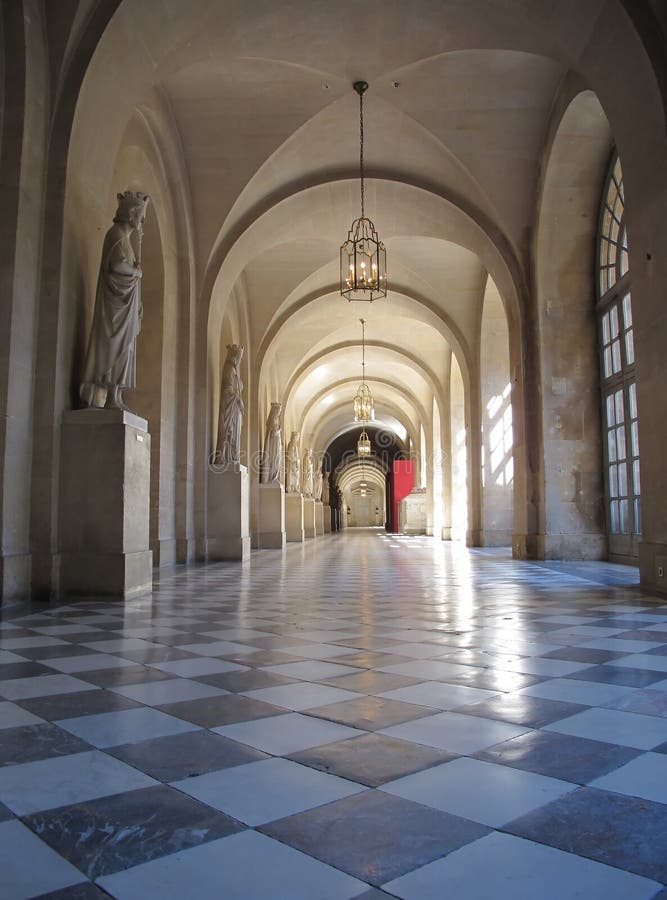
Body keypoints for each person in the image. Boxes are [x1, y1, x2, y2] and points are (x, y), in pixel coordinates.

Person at [80, 190, 149, 411]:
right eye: (140, 216)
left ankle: (116, 395)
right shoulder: (115, 236)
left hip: (124, 308)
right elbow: (117, 267)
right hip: (114, 311)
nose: (141, 222)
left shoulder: (126, 241)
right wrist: (136, 273)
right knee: (115, 347)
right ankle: (110, 395)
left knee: (126, 349)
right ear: (131, 215)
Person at [217, 344, 244, 465]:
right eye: (238, 357)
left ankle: (232, 457)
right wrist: (238, 399)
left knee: (235, 434)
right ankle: (226, 456)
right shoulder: (229, 369)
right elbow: (228, 390)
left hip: (235, 409)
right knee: (229, 432)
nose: (239, 360)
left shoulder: (234, 371)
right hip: (230, 407)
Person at [261, 402, 282, 483]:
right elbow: (272, 433)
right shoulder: (272, 419)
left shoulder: (276, 420)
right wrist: (278, 430)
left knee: (276, 460)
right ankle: (272, 477)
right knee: (273, 459)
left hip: (277, 443)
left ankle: (275, 477)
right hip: (273, 443)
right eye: (279, 411)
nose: (279, 413)